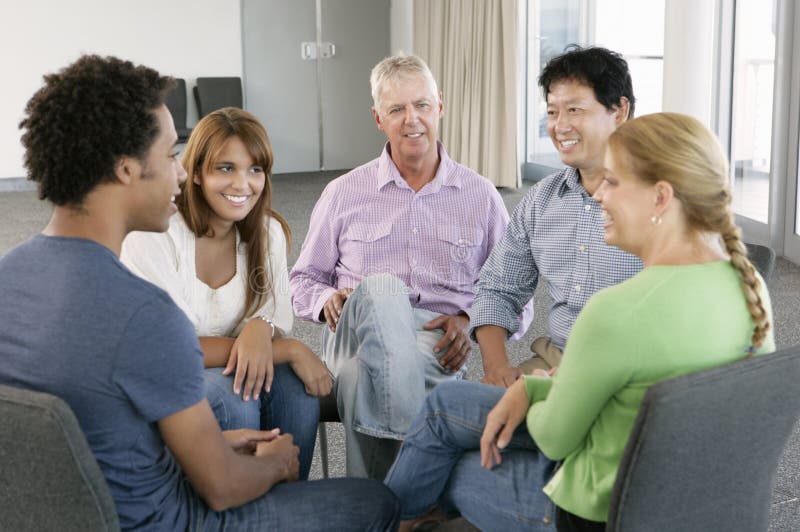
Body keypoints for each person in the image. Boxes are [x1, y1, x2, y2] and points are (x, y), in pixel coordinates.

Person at [0, 54, 398, 531]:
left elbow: (99, 423)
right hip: (171, 521)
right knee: (377, 502)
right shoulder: (145, 312)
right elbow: (223, 487)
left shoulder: (10, 275)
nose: (180, 173)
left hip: (75, 508)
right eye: (171, 155)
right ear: (127, 169)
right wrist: (279, 462)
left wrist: (229, 444)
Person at [383, 112, 775, 531]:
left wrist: (534, 393)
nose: (600, 196)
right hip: (685, 499)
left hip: (594, 512)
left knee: (450, 464)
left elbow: (555, 439)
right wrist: (534, 387)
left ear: (661, 197)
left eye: (614, 182)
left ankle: (392, 520)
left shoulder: (618, 311)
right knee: (447, 408)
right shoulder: (748, 286)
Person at [289, 53, 514, 480]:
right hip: (353, 332)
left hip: (435, 348)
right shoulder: (343, 193)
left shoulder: (481, 196)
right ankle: (419, 467)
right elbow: (301, 280)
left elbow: (514, 293)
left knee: (357, 379)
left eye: (422, 105)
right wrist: (325, 299)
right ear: (378, 117)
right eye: (397, 109)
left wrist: (468, 321)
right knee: (382, 291)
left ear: (440, 106)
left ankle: (380, 506)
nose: (412, 119)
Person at [121, 107, 330, 480]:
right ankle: (235, 509)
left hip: (228, 366)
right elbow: (170, 348)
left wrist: (261, 328)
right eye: (226, 168)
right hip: (168, 374)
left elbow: (274, 316)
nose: (242, 185)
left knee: (294, 388)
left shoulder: (267, 234)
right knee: (234, 395)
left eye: (255, 169)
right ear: (197, 172)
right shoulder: (155, 233)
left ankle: (290, 499)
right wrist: (288, 348)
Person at [471, 46, 643, 387]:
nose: (560, 126)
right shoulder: (542, 199)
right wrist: (496, 369)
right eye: (552, 112)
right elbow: (497, 288)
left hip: (633, 372)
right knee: (454, 414)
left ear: (619, 110)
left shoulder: (657, 198)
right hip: (556, 358)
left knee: (460, 422)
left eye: (574, 110)